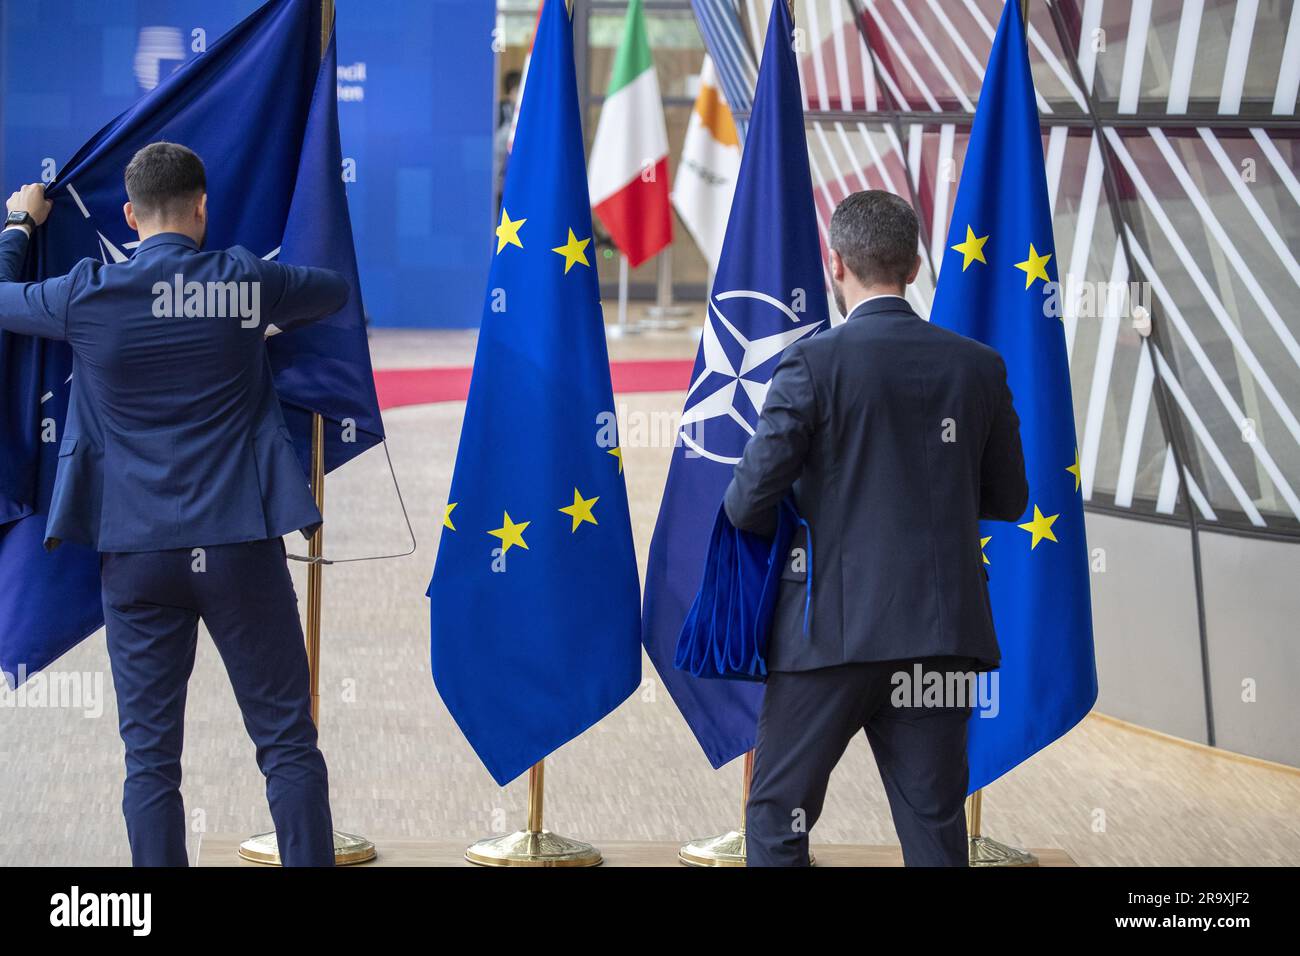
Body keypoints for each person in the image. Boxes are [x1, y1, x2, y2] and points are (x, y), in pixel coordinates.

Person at [0, 142, 348, 866]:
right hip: (239, 548)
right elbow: (330, 289)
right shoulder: (244, 281)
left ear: (129, 216)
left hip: (135, 556)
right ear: (202, 209)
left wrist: (17, 227)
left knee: (150, 762)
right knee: (286, 741)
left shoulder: (85, 293)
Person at [724, 189, 1028, 866]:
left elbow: (747, 504)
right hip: (940, 637)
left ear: (836, 263)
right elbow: (1009, 499)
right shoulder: (978, 367)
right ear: (916, 265)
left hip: (825, 638)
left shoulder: (813, 364)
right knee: (934, 829)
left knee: (779, 821)